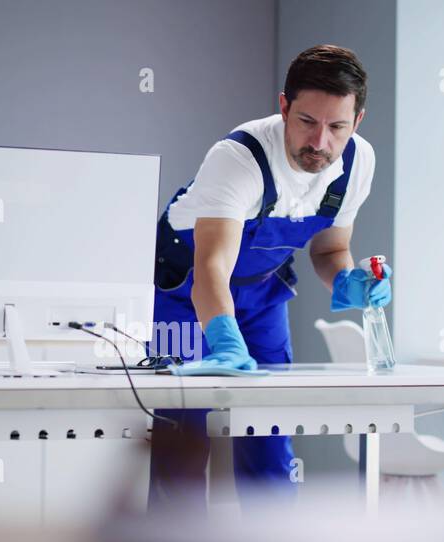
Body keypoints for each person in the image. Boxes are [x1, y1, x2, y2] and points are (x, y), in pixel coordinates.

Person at [148, 44, 392, 514]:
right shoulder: (238, 158)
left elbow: (330, 249)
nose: (319, 142)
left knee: (270, 433)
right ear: (283, 106)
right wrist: (225, 340)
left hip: (262, 292)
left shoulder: (359, 162)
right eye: (306, 122)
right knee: (184, 434)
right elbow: (212, 267)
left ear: (357, 121)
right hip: (184, 288)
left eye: (337, 126)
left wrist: (349, 284)